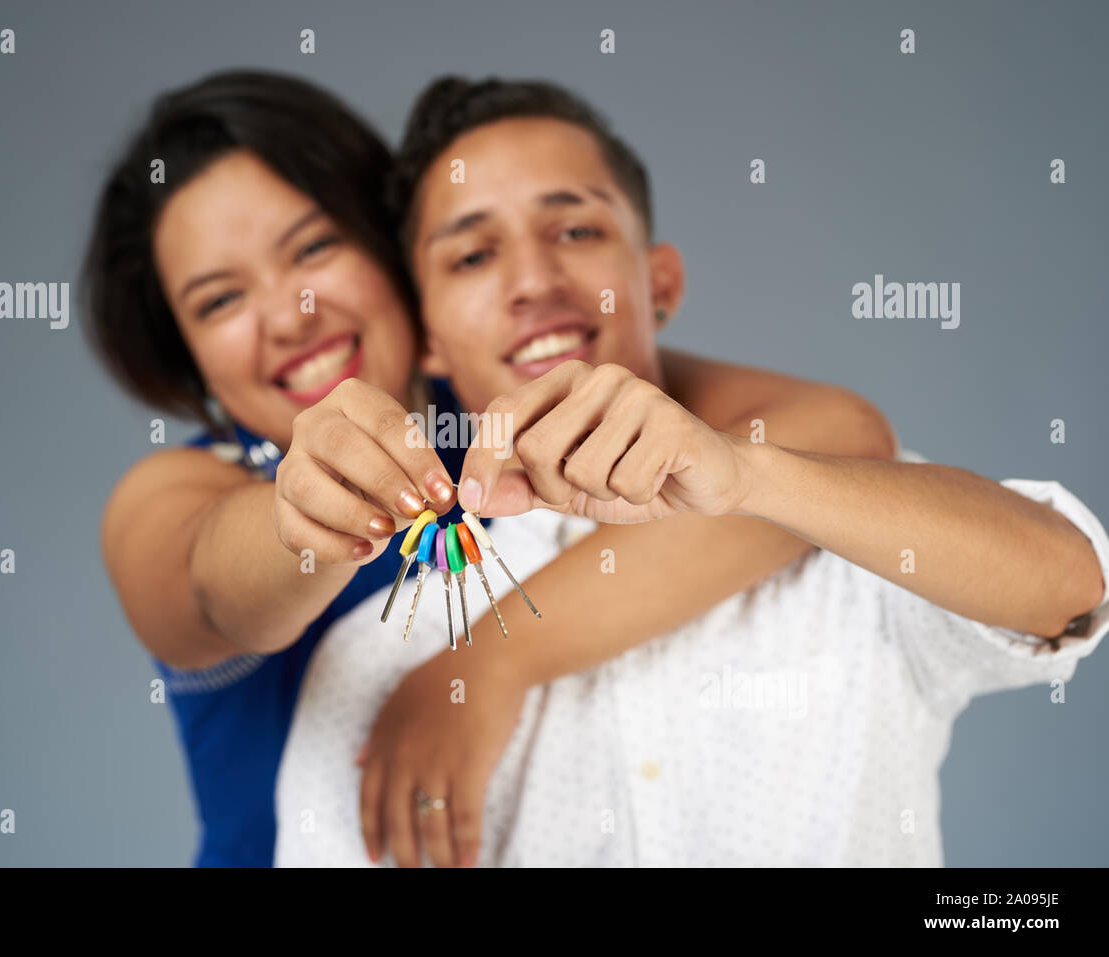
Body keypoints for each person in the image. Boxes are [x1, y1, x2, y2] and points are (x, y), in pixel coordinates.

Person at [271, 76, 1109, 867]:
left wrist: (749, 478)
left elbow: (1070, 584)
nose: (534, 281)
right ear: (427, 338)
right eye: (472, 257)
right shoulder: (384, 660)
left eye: (577, 230)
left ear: (659, 282)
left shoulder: (841, 528)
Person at [81, 70, 897, 868]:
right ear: (184, 355)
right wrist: (303, 509)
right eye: (219, 301)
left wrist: (489, 663)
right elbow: (211, 592)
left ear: (396, 251)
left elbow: (831, 437)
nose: (292, 316)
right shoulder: (179, 491)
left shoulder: (503, 394)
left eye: (316, 248)